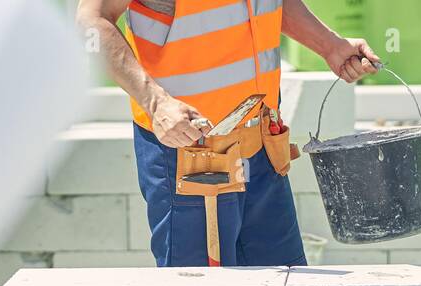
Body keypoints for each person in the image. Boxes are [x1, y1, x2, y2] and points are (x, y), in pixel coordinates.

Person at [77, 0, 379, 267]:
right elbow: (92, 19)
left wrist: (329, 45)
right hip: (190, 157)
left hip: (263, 151)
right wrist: (156, 102)